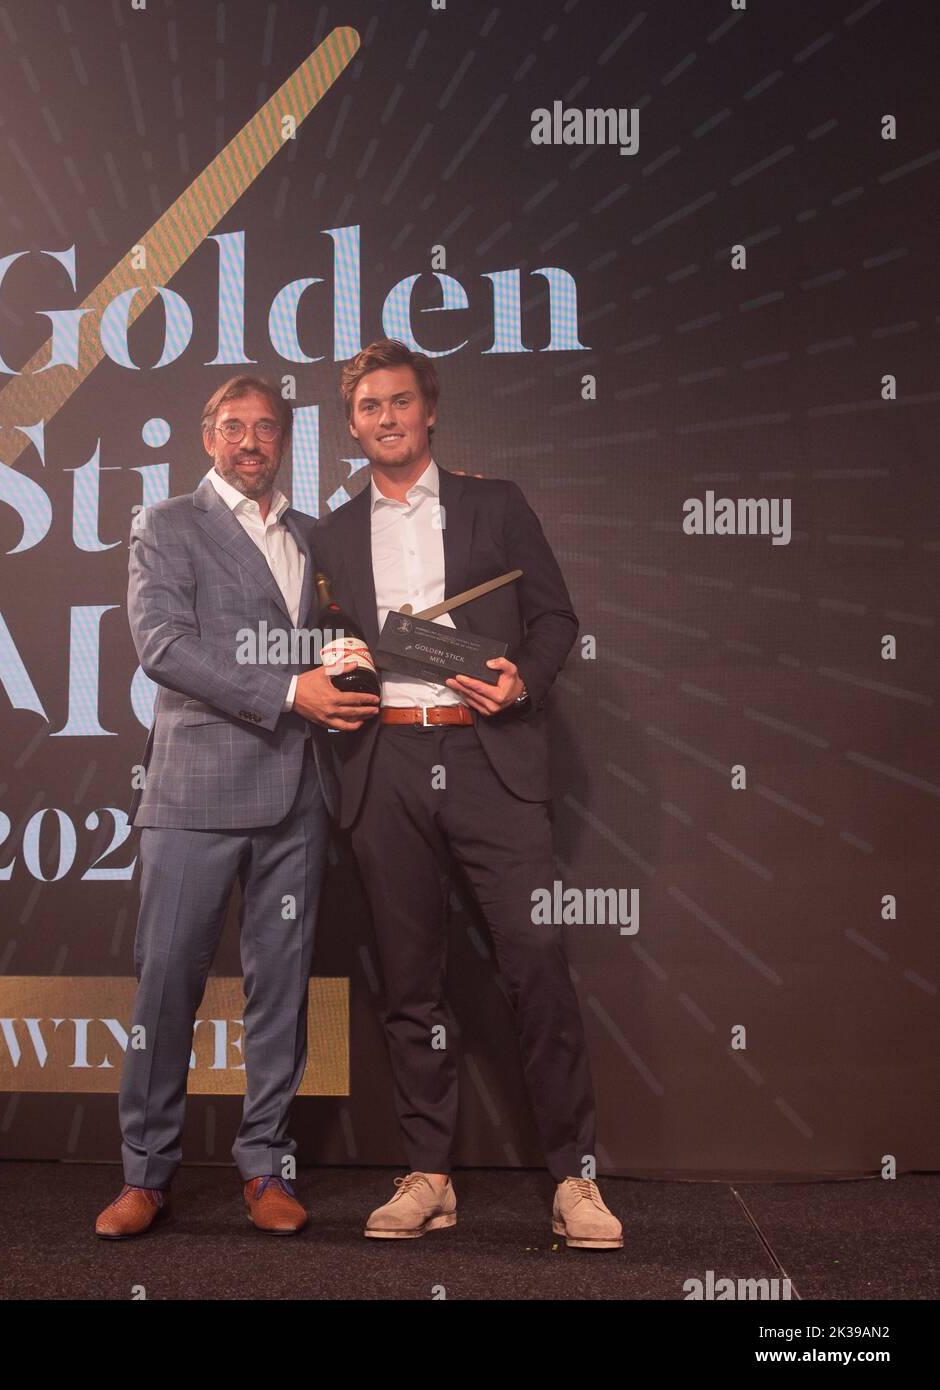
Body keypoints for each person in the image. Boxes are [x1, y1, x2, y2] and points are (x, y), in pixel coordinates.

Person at [312, 339, 622, 1249]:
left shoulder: (496, 503)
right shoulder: (330, 532)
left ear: (430, 410)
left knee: (536, 966)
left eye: (400, 402)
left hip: (490, 759)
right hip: (388, 764)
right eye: (369, 407)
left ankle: (575, 1180)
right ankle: (430, 1177)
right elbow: (330, 635)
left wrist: (520, 682)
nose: (387, 418)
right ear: (353, 423)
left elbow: (555, 618)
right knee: (410, 984)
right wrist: (340, 658)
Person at [94, 374, 379, 1239]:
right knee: (166, 992)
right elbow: (165, 647)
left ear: (285, 439)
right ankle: (145, 1177)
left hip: (297, 797)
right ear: (207, 437)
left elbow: (336, 636)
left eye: (265, 427)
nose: (250, 440)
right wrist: (293, 691)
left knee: (280, 994)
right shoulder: (167, 524)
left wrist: (362, 658)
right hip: (195, 796)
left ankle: (266, 1168)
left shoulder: (311, 534)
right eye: (233, 427)